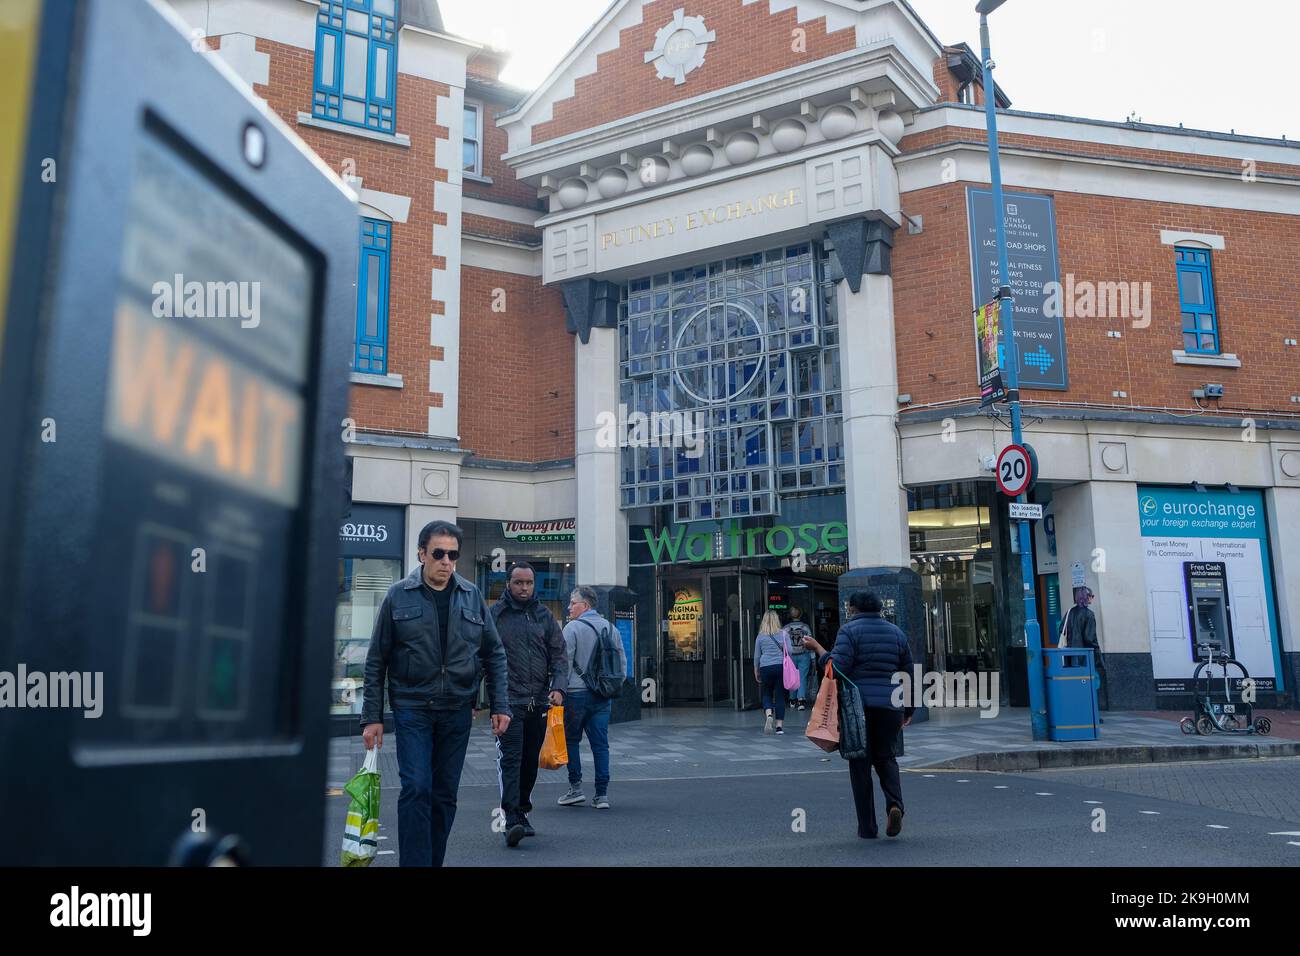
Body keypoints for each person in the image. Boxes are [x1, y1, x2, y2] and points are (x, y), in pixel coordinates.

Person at [361, 520, 511, 867]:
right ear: (422, 553)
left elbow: (494, 653)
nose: (446, 561)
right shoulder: (398, 594)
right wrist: (372, 717)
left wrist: (500, 704)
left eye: (453, 554)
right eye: (439, 553)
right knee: (416, 787)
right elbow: (376, 659)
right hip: (412, 706)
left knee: (444, 795)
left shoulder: (471, 595)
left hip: (457, 709)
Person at [802, 591, 913, 840]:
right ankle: (895, 805)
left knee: (860, 764)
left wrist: (819, 649)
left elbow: (837, 668)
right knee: (886, 758)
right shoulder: (897, 633)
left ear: (853, 609)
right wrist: (909, 709)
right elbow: (908, 673)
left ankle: (867, 828)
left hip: (858, 708)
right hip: (890, 706)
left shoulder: (849, 632)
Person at [490, 562, 568, 847]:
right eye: (518, 582)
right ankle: (511, 818)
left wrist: (559, 687)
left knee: (529, 762)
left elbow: (559, 655)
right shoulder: (496, 615)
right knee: (510, 760)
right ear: (508, 583)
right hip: (508, 703)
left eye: (529, 583)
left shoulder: (543, 615)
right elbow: (481, 657)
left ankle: (522, 810)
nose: (524, 588)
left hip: (539, 702)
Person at [557, 586, 626, 810]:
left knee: (571, 741)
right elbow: (622, 664)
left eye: (572, 602)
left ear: (585, 605)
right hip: (602, 696)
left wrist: (559, 691)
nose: (569, 607)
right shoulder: (611, 627)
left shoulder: (572, 628)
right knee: (600, 745)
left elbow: (564, 664)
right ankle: (602, 795)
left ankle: (576, 788)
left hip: (576, 695)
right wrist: (610, 686)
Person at [1061, 586, 1107, 713]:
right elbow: (1089, 637)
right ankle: (1090, 713)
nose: (1092, 598)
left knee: (1075, 684)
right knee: (1090, 685)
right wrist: (1098, 655)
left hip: (1070, 655)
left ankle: (1076, 711)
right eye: (1091, 596)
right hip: (1085, 657)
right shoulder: (1089, 614)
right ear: (1086, 597)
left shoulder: (1069, 612)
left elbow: (1061, 630)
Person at [753, 610, 791, 735]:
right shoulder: (784, 634)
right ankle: (779, 727)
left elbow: (757, 656)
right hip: (780, 667)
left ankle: (769, 714)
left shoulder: (760, 636)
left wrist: (756, 669)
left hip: (765, 667)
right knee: (780, 695)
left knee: (766, 693)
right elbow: (789, 652)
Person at [785, 607, 814, 710]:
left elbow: (783, 643)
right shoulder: (805, 627)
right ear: (801, 614)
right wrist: (813, 657)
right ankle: (801, 700)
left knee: (792, 677)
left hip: (791, 656)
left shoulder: (786, 628)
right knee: (802, 677)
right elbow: (810, 642)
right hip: (804, 655)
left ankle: (792, 700)